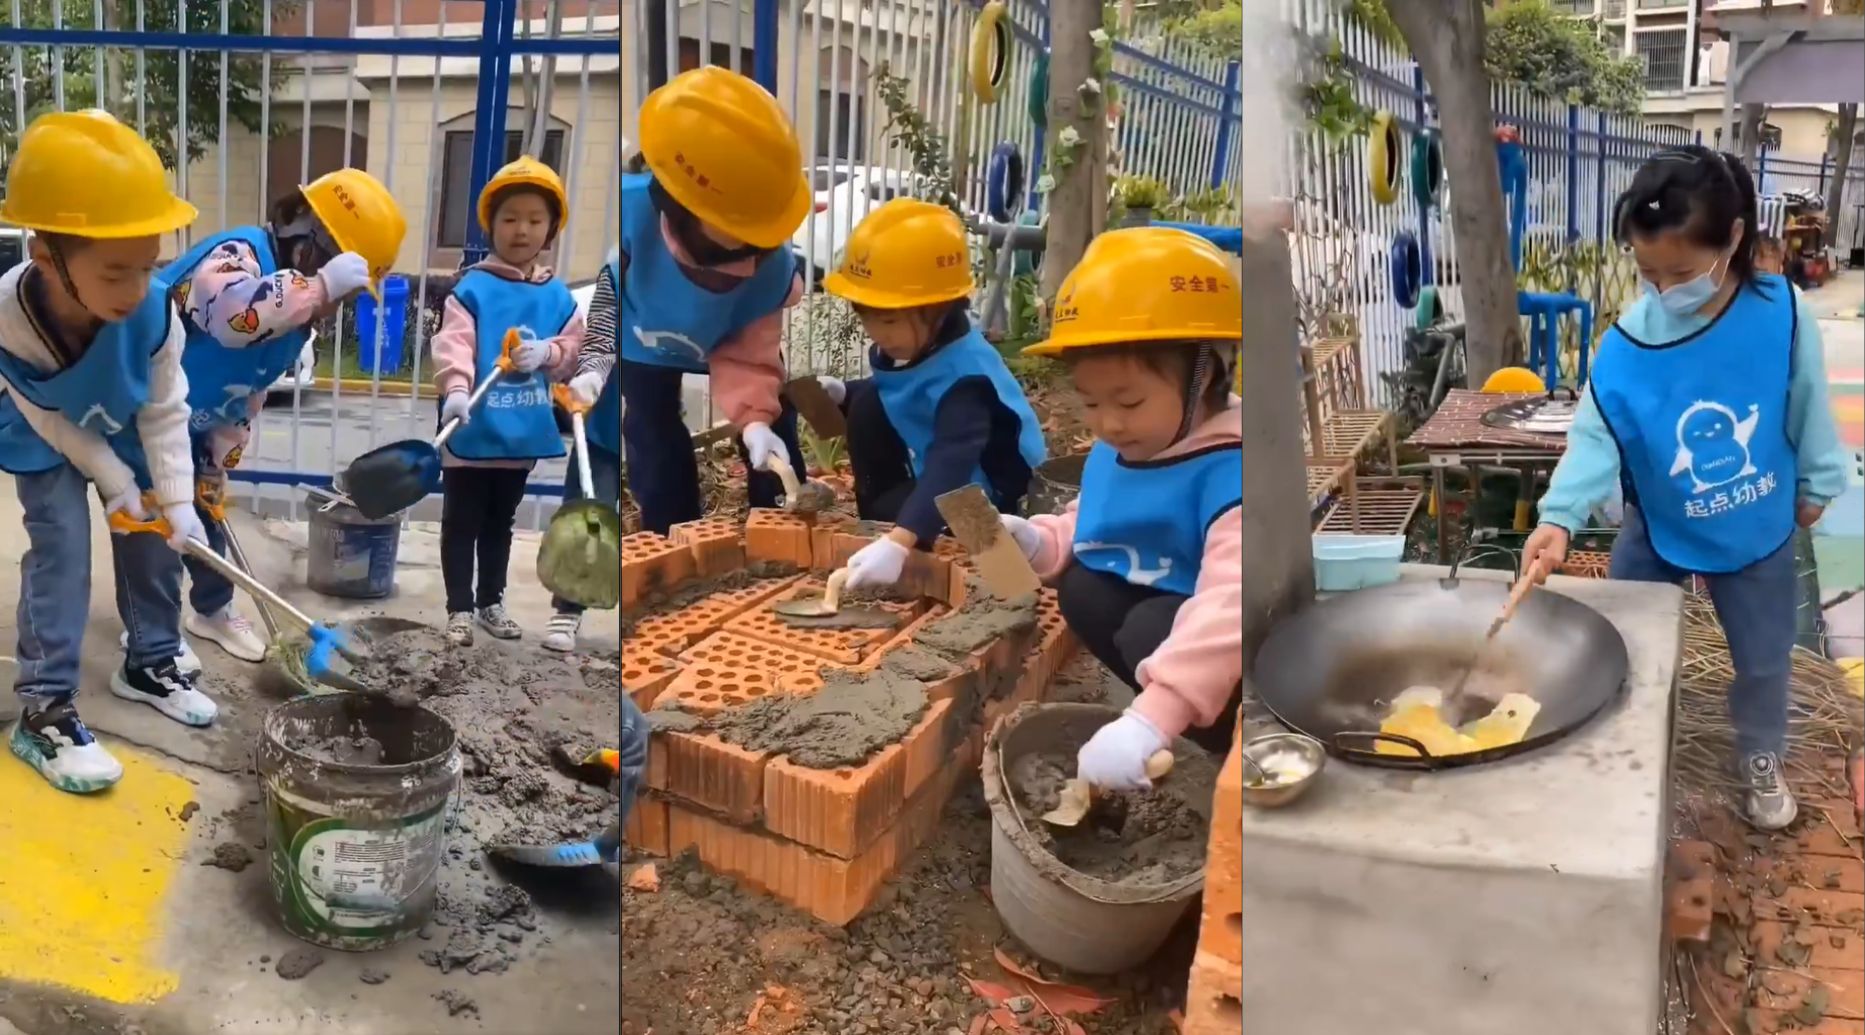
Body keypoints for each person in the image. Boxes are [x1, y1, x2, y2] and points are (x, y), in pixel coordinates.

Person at [1521, 147, 1848, 831]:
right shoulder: (1628, 342)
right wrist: (1558, 516)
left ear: (1730, 240)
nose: (1663, 290)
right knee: (1625, 638)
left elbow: (1807, 401)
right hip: (1660, 521)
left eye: (1679, 271)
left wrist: (1818, 480)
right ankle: (1629, 747)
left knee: (1762, 658)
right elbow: (1595, 433)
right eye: (1646, 272)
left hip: (1754, 519)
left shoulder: (1778, 314)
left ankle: (1759, 753)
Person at [0, 110, 217, 793]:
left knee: (155, 532)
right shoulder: (6, 316)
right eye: (116, 271)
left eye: (148, 266)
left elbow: (163, 411)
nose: (136, 289)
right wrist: (111, 477)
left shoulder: (154, 312)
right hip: (43, 428)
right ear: (45, 256)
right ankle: (44, 707)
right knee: (63, 546)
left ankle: (151, 659)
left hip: (120, 413)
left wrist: (176, 502)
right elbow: (50, 419)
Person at [998, 228, 1244, 789]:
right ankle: (1177, 719)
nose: (1109, 423)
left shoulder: (1234, 468)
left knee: (1146, 629)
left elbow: (1233, 601)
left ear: (1203, 375)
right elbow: (1104, 515)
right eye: (1090, 403)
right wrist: (1039, 542)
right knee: (1084, 586)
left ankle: (1233, 750)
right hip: (1178, 610)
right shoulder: (1135, 442)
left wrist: (1150, 719)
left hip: (1238, 644)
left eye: (1129, 401)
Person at [134, 167, 405, 667]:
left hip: (191, 425)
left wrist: (218, 461)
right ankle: (151, 637)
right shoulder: (238, 254)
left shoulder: (297, 324)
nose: (339, 303)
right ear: (309, 241)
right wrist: (318, 288)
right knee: (151, 527)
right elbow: (235, 317)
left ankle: (211, 611)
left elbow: (248, 392)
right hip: (139, 408)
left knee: (207, 520)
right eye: (344, 288)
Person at [815, 198, 1047, 588]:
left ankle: (1009, 585)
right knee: (869, 400)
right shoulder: (923, 345)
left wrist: (901, 541)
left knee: (1006, 584)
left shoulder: (966, 379)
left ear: (938, 308)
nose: (877, 334)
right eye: (867, 320)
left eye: (888, 320)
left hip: (995, 497)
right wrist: (843, 393)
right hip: (947, 481)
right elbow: (907, 391)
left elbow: (952, 464)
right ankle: (890, 532)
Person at [620, 66, 812, 535]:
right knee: (652, 430)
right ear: (676, 204)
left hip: (732, 334)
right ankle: (671, 533)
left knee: (774, 417)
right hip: (641, 338)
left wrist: (754, 423)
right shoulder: (628, 219)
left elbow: (751, 356)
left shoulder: (769, 271)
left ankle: (781, 520)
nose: (748, 256)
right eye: (735, 231)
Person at [431, 156, 584, 646]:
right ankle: (458, 608)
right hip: (469, 424)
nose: (522, 230)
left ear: (551, 229)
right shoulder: (472, 289)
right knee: (461, 521)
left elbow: (573, 353)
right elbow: (453, 344)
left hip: (518, 433)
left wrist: (550, 352)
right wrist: (455, 388)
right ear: (491, 225)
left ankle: (490, 602)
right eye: (510, 218)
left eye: (535, 220)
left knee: (500, 523)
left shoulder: (557, 297)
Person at [546, 244, 622, 654]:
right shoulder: (620, 260)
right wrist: (591, 374)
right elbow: (603, 334)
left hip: (654, 407)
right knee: (587, 512)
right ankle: (568, 607)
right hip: (608, 414)